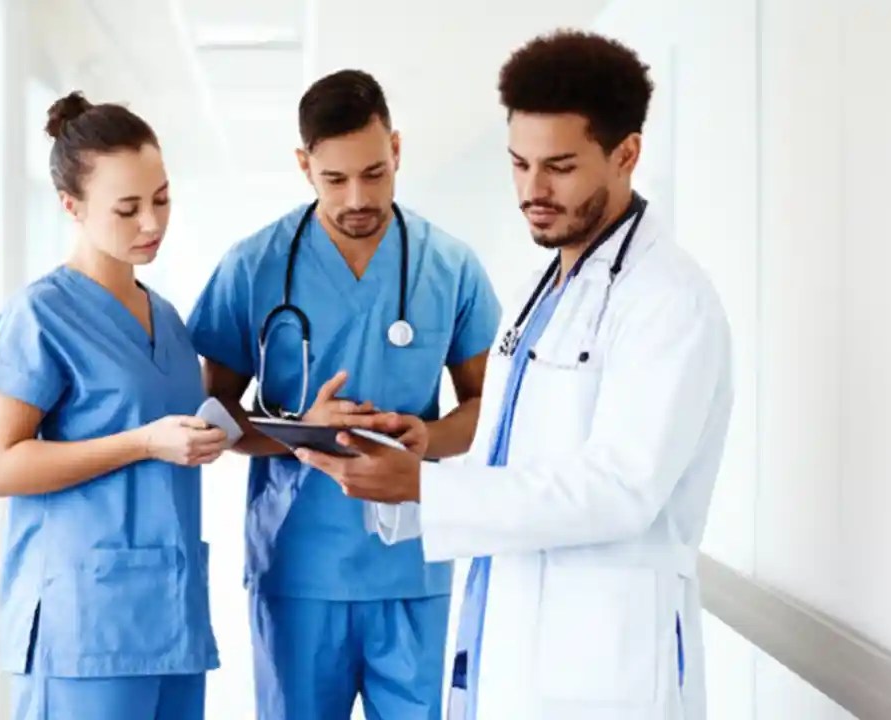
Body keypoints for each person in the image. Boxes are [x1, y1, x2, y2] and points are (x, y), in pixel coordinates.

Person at [298, 31, 734, 720]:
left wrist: (428, 489)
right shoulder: (541, 290)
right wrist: (412, 463)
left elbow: (621, 490)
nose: (533, 190)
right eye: (519, 164)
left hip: (602, 668)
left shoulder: (668, 301)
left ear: (627, 154)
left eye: (559, 166)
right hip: (508, 641)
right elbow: (512, 464)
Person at [187, 69, 503, 720]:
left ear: (397, 150)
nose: (358, 196)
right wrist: (301, 426)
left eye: (375, 173)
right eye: (334, 179)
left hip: (413, 563)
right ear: (304, 165)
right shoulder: (254, 266)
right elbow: (214, 421)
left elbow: (486, 408)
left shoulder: (450, 267)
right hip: (300, 566)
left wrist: (430, 438)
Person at [0, 92, 226, 720]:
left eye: (161, 199)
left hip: (171, 618)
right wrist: (143, 442)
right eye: (128, 208)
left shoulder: (166, 318)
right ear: (72, 206)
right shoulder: (40, 316)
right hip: (83, 625)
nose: (152, 224)